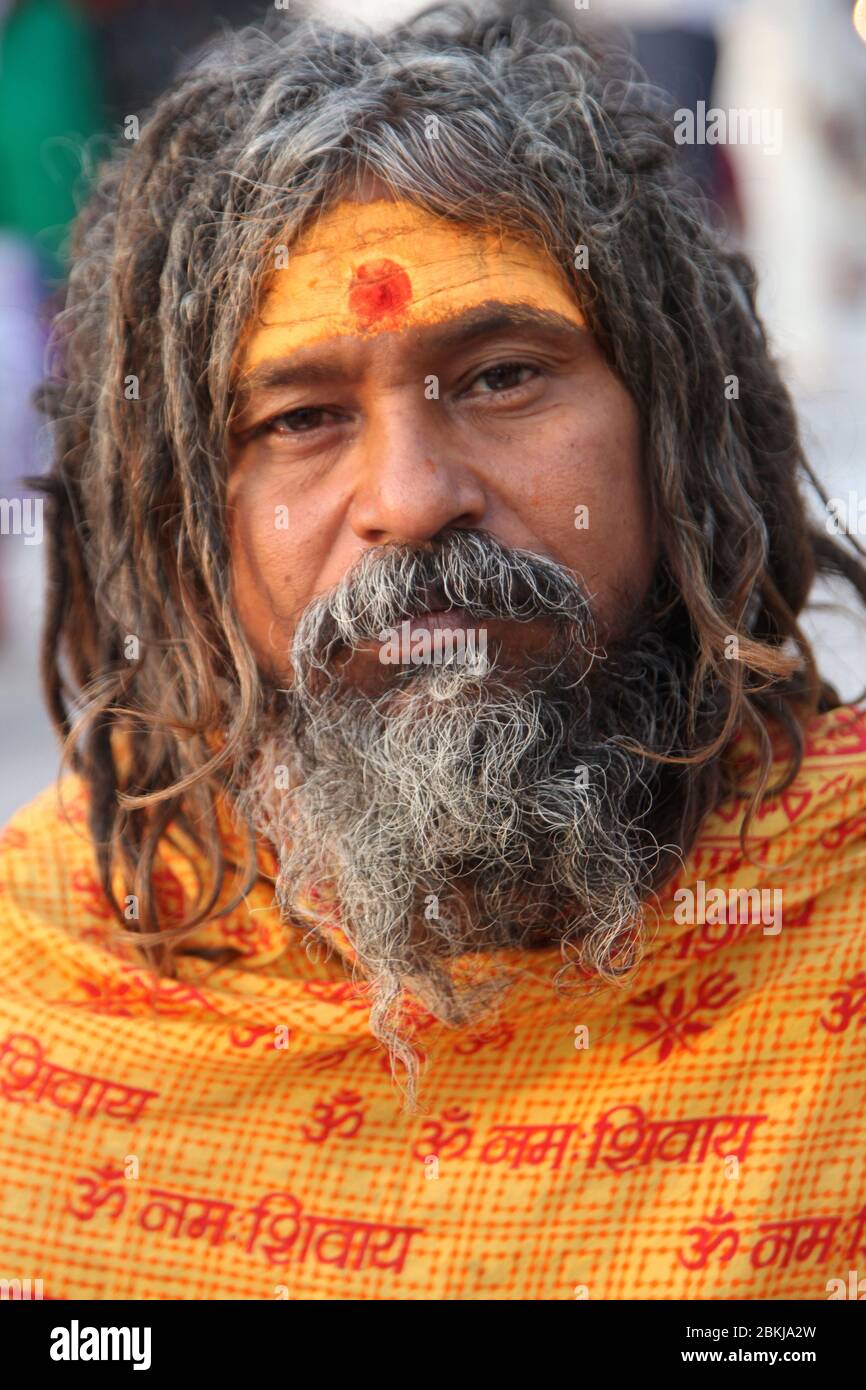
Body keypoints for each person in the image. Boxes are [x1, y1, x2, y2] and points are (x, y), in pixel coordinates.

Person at [1, 1, 865, 1301]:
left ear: (672, 426)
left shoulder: (838, 917)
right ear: (182, 514)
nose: (409, 498)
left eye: (504, 376)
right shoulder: (46, 987)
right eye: (299, 417)